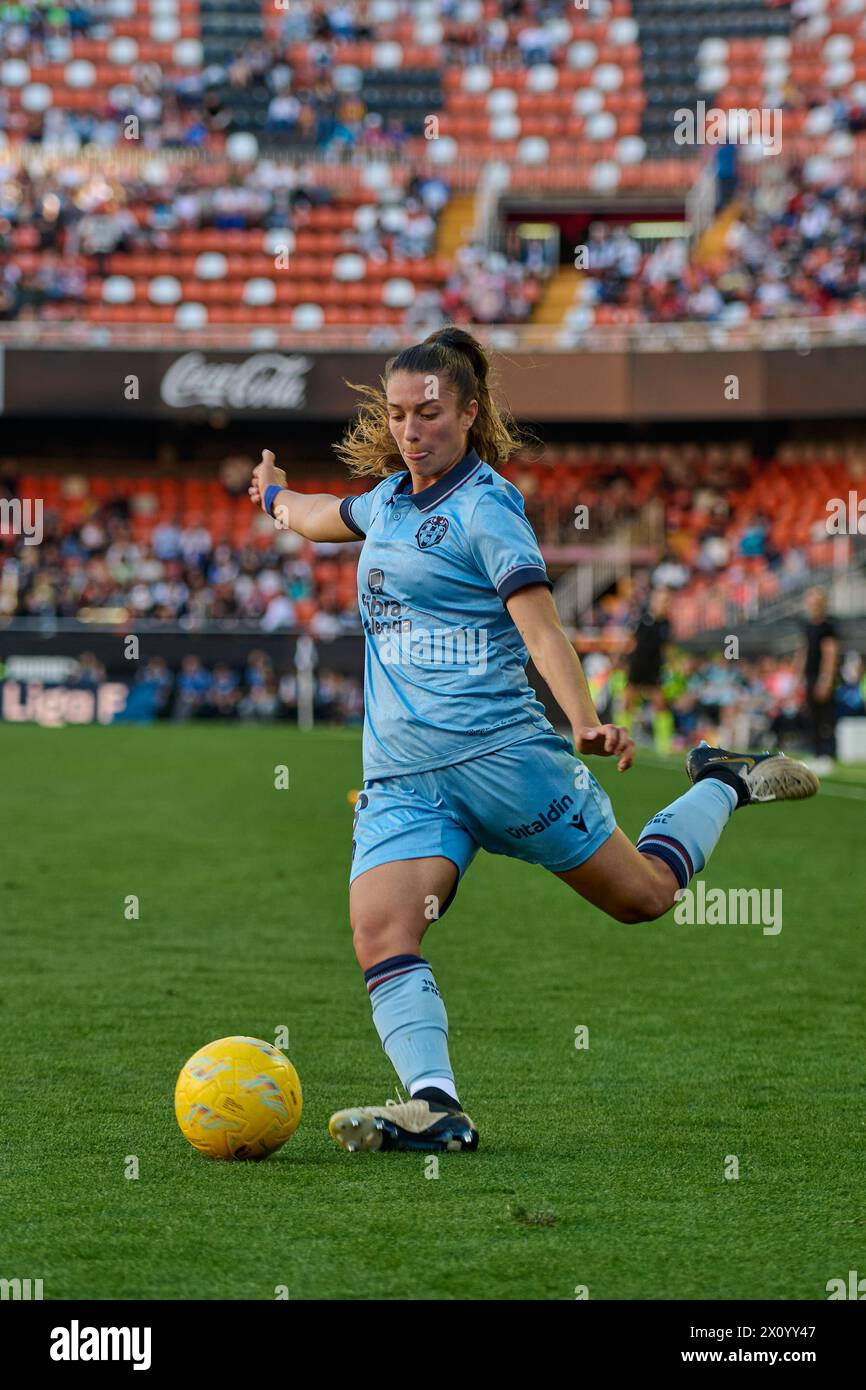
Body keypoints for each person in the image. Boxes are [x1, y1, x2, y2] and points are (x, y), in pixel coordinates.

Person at [248, 327, 819, 1157]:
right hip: (404, 781)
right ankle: (437, 1106)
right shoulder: (386, 502)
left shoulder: (488, 507)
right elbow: (311, 515)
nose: (412, 431)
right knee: (381, 934)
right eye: (401, 414)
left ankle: (723, 781)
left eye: (430, 413)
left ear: (469, 413)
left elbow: (544, 631)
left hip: (504, 760)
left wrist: (582, 717)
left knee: (644, 898)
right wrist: (271, 494)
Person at [800, 587, 839, 771]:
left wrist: (825, 680)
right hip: (810, 675)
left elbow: (830, 654)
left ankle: (827, 754)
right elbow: (804, 651)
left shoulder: (827, 627)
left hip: (821, 676)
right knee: (813, 716)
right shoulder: (809, 626)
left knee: (825, 717)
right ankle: (817, 752)